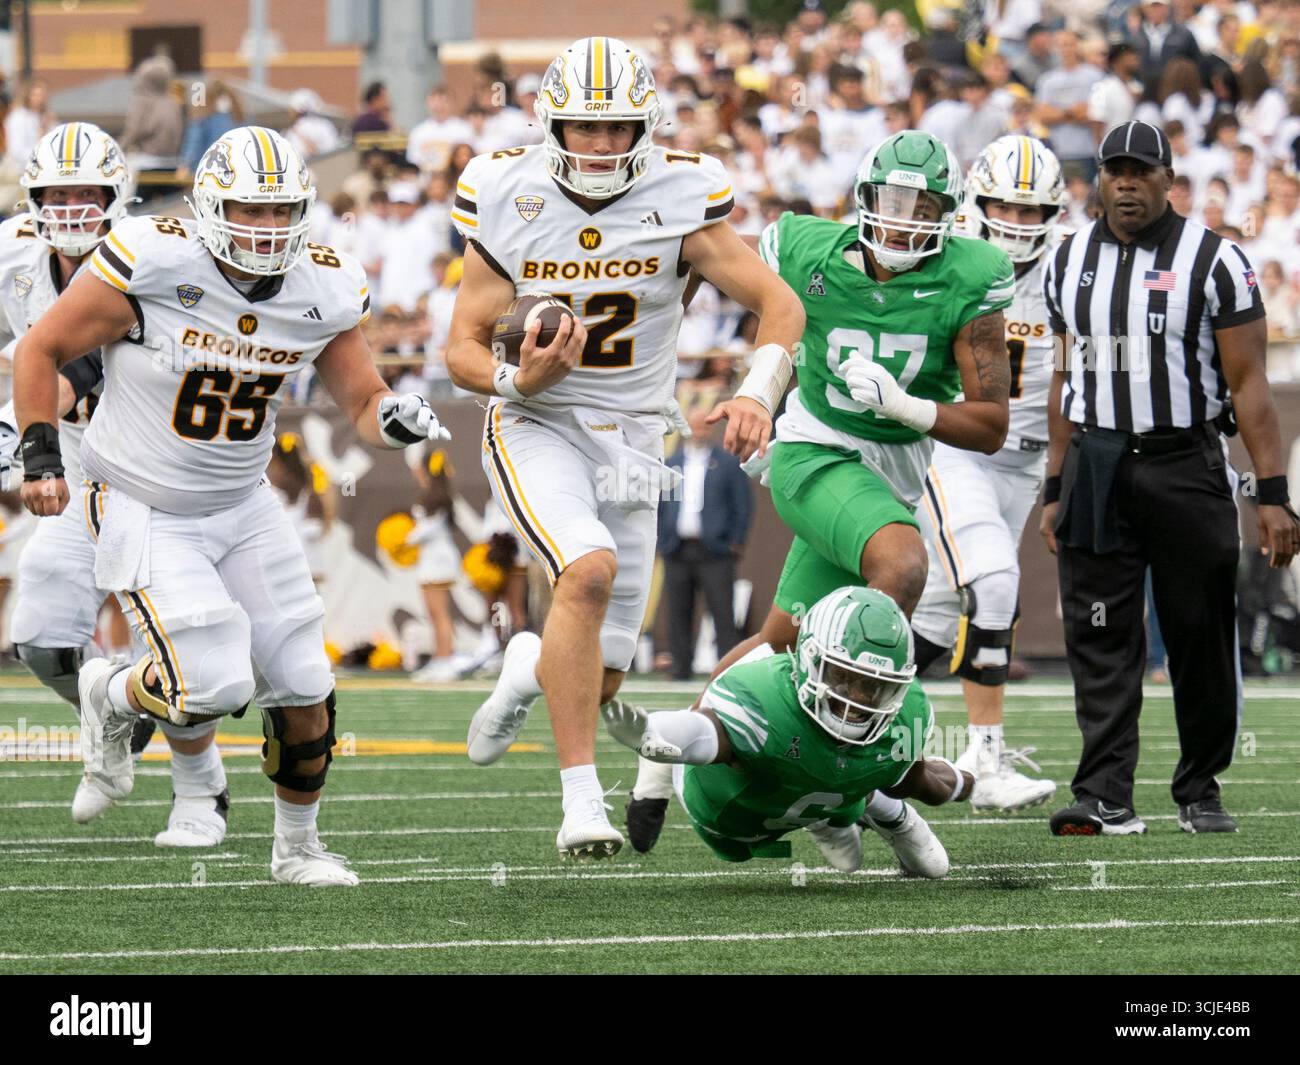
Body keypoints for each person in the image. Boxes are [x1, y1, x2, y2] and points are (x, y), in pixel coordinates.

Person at [13, 126, 450, 885]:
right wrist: (42, 453)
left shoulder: (323, 284)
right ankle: (109, 692)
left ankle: (299, 848)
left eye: (281, 213)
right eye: (249, 210)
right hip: (143, 500)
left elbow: (363, 398)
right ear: (212, 206)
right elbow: (40, 349)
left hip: (245, 504)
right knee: (212, 683)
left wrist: (395, 419)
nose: (266, 229)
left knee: (306, 683)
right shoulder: (153, 258)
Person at [445, 36, 805, 860]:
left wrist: (757, 390)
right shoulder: (507, 189)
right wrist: (515, 383)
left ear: (647, 126)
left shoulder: (682, 191)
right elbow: (461, 347)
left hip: (638, 436)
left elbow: (779, 305)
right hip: (537, 421)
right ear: (551, 124)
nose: (602, 146)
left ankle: (526, 660)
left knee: (601, 674)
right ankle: (580, 801)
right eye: (584, 128)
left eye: (618, 129)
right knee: (589, 570)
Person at [1041, 120, 1300, 836]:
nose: (1126, 183)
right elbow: (1065, 377)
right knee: (1099, 634)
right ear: (1099, 179)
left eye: (1140, 171)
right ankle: (1104, 793)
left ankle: (1200, 785)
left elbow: (1249, 385)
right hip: (1095, 461)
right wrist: (1055, 485)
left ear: (1167, 179)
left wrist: (1273, 495)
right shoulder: (1065, 262)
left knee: (1200, 630)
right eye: (1113, 171)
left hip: (1185, 461)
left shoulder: (1216, 260)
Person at [708, 130, 1013, 685]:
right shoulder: (805, 248)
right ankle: (850, 747)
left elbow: (991, 427)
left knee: (779, 642)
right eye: (892, 202)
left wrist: (906, 407)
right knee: (901, 565)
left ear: (948, 214)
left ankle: (674, 755)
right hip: (814, 451)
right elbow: (703, 252)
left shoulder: (971, 275)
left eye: (923, 207)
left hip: (891, 474)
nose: (903, 220)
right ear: (865, 199)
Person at [0, 123, 227, 841]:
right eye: (55, 194)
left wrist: (16, 433)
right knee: (37, 630)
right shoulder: (12, 257)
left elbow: (83, 364)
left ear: (115, 194)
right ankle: (113, 708)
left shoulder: (150, 255)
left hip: (155, 460)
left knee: (188, 637)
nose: (68, 207)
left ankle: (201, 786)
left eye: (84, 193)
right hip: (71, 455)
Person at [605, 586, 972, 876]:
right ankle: (659, 771)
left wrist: (970, 780)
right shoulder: (766, 699)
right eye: (844, 678)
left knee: (882, 821)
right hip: (729, 810)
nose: (857, 702)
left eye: (875, 687)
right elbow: (706, 732)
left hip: (822, 787)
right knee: (732, 844)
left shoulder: (904, 719)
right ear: (810, 659)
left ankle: (873, 816)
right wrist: (655, 732)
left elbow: (925, 782)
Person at [911, 135, 1066, 813]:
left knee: (936, 620)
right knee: (996, 580)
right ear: (978, 201)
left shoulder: (1068, 271)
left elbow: (1070, 383)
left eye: (1033, 212)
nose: (1019, 223)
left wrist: (1058, 477)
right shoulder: (950, 259)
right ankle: (986, 753)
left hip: (1026, 460)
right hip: (960, 447)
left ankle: (829, 727)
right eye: (1006, 205)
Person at [657, 404, 754, 681]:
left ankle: (728, 670)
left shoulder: (727, 463)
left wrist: (736, 541)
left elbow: (742, 506)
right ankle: (681, 668)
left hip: (715, 550)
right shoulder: (671, 463)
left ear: (711, 428)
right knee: (678, 611)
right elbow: (662, 505)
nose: (698, 430)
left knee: (723, 612)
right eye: (694, 424)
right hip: (677, 547)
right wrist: (662, 538)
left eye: (703, 425)